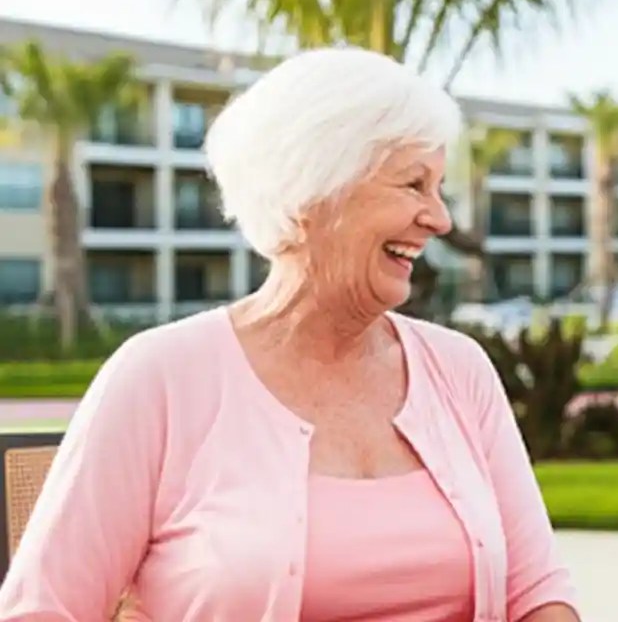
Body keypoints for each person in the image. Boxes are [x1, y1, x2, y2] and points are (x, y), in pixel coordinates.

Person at [0, 47, 579, 622]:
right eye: (413, 185)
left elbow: (538, 595)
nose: (440, 218)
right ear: (313, 194)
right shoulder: (161, 376)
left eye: (438, 188)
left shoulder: (460, 369)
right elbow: (42, 609)